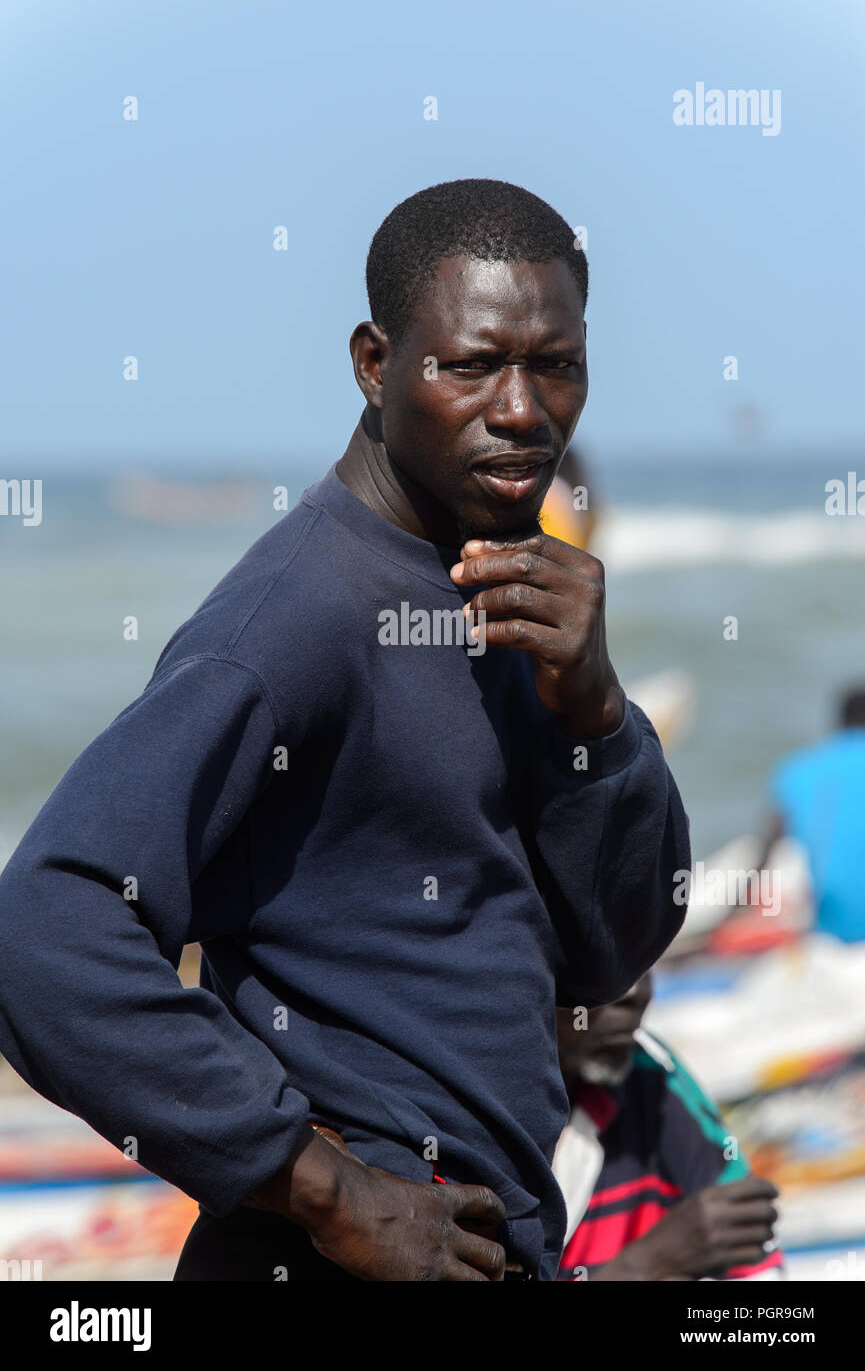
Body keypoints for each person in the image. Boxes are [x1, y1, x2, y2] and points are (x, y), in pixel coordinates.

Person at [0, 178, 689, 1282]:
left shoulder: (502, 592)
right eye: (470, 365)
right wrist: (327, 1190)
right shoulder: (298, 616)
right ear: (376, 364)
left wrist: (597, 712)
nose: (522, 409)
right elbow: (42, 924)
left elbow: (614, 946)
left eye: (555, 364)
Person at [553, 973, 783, 1280]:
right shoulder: (476, 1126)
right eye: (591, 957)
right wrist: (646, 1265)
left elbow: (753, 1262)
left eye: (644, 957)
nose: (633, 992)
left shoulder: (652, 1075)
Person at [756, 687, 865, 942]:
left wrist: (729, 914)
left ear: (838, 723)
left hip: (834, 932)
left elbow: (766, 853)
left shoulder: (798, 769)